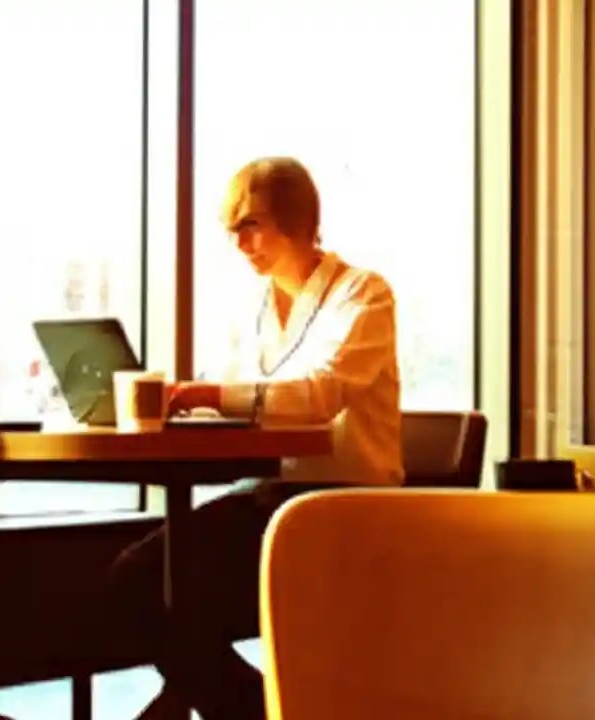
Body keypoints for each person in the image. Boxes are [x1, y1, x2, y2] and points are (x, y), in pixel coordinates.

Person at [107, 156, 403, 720]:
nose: (241, 244)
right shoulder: (257, 308)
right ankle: (256, 708)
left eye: (252, 225)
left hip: (341, 503)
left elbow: (321, 393)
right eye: (233, 230)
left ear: (298, 219)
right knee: (142, 581)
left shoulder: (363, 296)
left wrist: (209, 395)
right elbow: (248, 401)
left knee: (154, 586)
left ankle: (233, 706)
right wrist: (189, 410)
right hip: (270, 498)